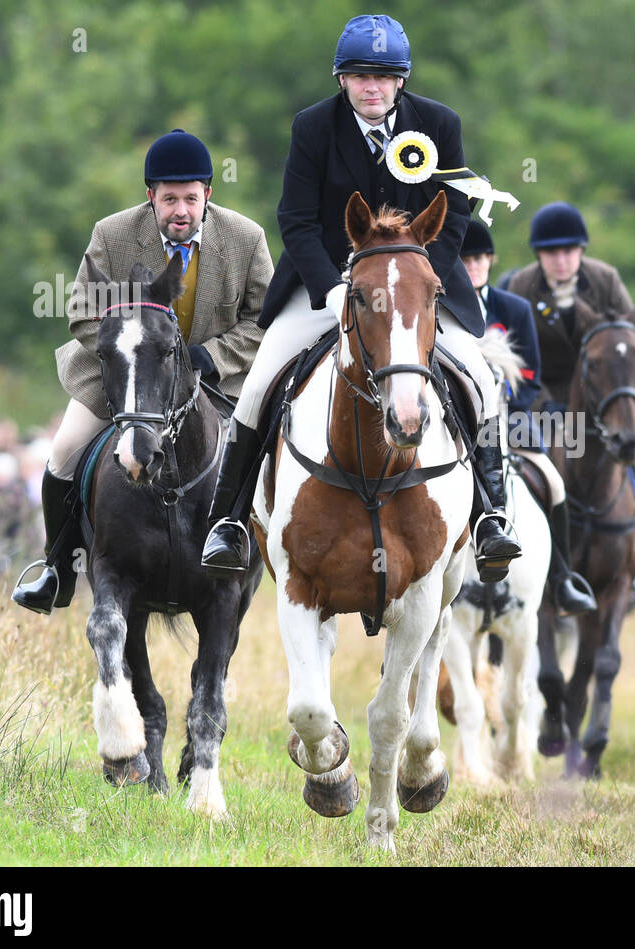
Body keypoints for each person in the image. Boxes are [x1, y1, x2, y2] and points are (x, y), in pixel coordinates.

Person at [200, 14, 521, 583]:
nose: (371, 87)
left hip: (420, 286)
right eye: (358, 76)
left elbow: (456, 215)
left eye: (383, 77)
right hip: (326, 283)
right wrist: (330, 287)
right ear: (341, 80)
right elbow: (295, 221)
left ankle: (493, 515)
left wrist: (426, 285)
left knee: (478, 376)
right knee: (258, 381)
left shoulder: (439, 124)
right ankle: (227, 521)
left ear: (401, 81)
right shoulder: (313, 127)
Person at [12, 129, 272, 614]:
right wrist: (137, 355)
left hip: (212, 378)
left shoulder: (245, 238)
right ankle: (56, 569)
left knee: (265, 451)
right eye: (169, 198)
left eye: (191, 199)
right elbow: (83, 313)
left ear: (207, 196)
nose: (181, 211)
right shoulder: (111, 234)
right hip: (125, 377)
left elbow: (264, 319)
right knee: (63, 453)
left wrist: (210, 356)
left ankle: (260, 550)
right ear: (150, 196)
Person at [506, 202, 635, 573]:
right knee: (505, 445)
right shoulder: (522, 286)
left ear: (581, 251)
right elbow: (518, 355)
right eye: (551, 252)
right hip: (545, 396)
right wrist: (542, 404)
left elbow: (631, 343)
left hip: (609, 394)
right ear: (539, 254)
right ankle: (503, 534)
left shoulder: (604, 279)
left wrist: (630, 398)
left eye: (569, 251)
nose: (561, 260)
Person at [461, 219, 596, 614]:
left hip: (510, 416)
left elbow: (532, 374)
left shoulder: (514, 308)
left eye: (479, 258)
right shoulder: (443, 303)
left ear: (491, 259)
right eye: (465, 260)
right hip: (459, 418)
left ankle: (562, 579)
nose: (473, 267)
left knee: (554, 483)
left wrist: (508, 403)